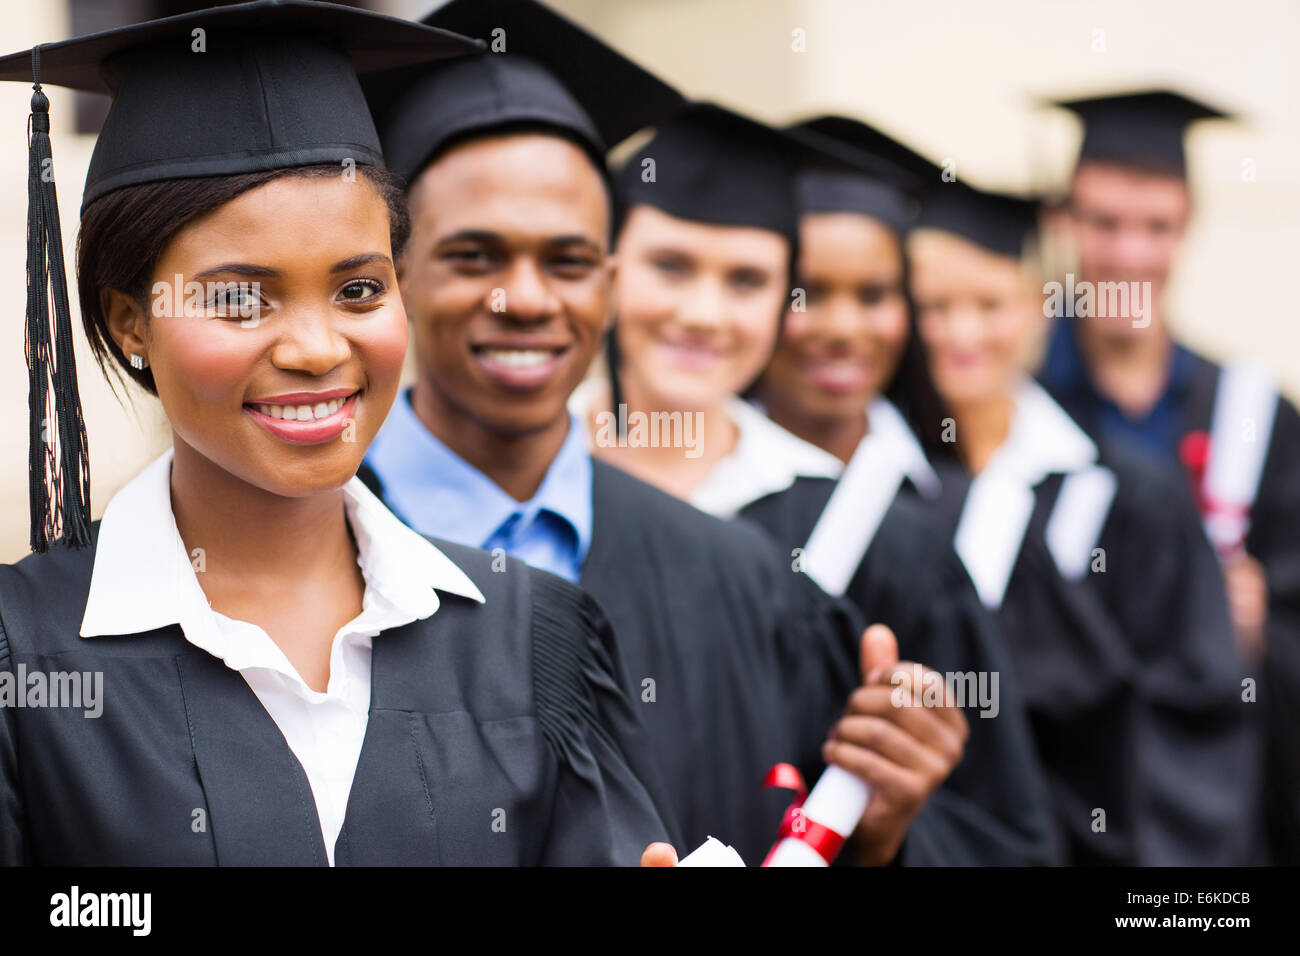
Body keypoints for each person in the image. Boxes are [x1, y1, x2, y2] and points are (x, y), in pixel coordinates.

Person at [0, 0, 672, 866]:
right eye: (240, 298)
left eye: (358, 290)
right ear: (132, 321)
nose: (318, 349)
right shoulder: (27, 659)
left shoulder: (531, 637)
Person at [360, 0, 981, 867]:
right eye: (474, 255)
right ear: (394, 275)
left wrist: (879, 835)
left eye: (569, 260)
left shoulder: (745, 582)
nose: (529, 298)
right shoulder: (295, 549)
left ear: (608, 283)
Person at [906, 176, 1260, 864]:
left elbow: (1193, 724)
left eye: (989, 303)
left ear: (1042, 308)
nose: (962, 331)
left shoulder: (1126, 498)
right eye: (934, 306)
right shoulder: (882, 481)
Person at [743, 115, 1059, 865]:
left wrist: (890, 831)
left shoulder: (945, 518)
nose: (843, 326)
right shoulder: (688, 499)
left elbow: (1009, 822)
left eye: (876, 293)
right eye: (806, 292)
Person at [1036, 89, 1300, 861]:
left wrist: (1260, 637)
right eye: (1104, 222)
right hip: (1057, 815)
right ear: (1064, 224)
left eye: (1157, 226)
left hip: (1217, 827)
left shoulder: (1258, 420)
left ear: (1188, 229)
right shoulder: (1016, 412)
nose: (1129, 254)